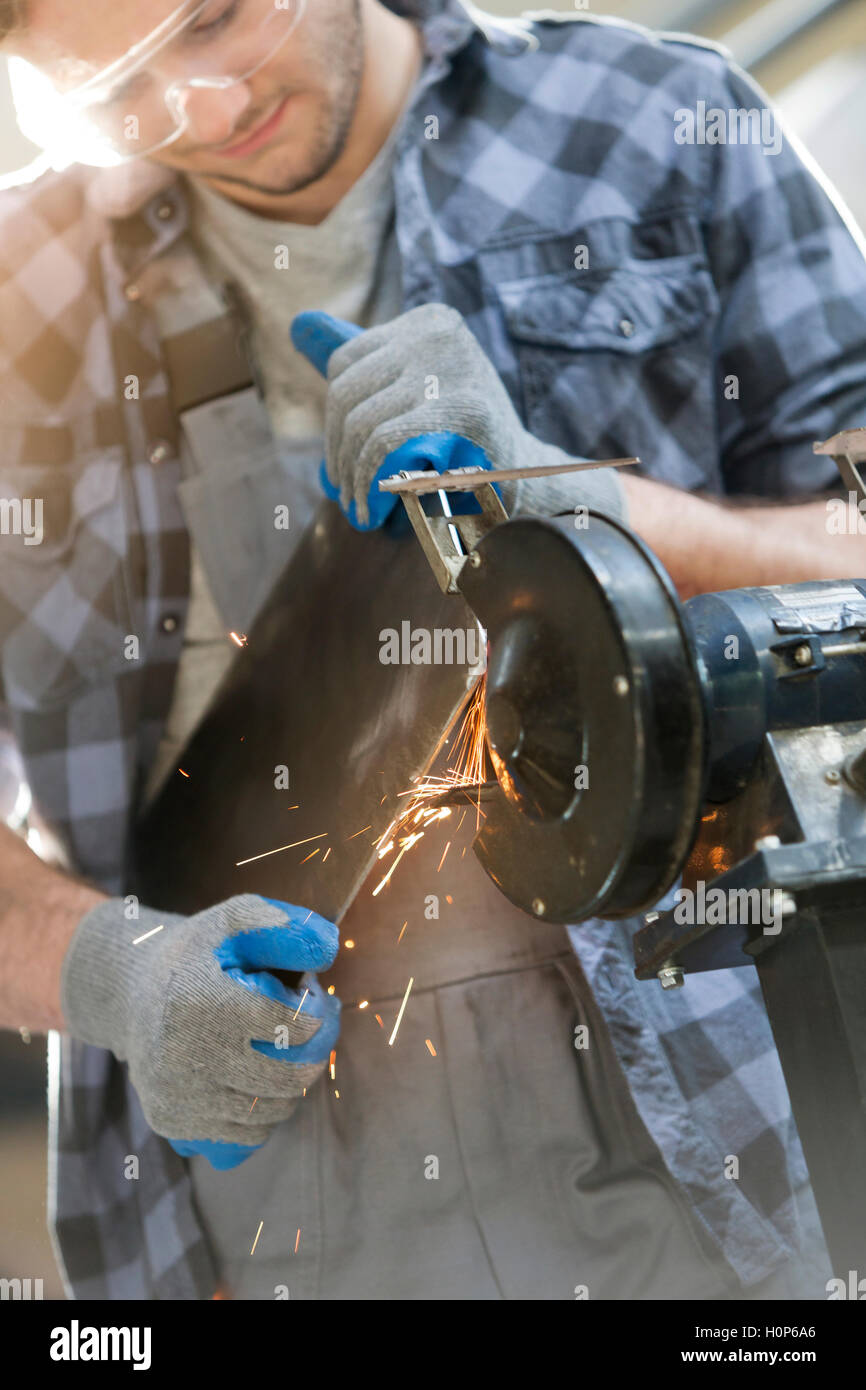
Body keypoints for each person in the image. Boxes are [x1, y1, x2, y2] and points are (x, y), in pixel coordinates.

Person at [0, 0, 864, 1300]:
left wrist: (587, 501)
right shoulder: (21, 309)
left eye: (221, 17)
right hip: (265, 1218)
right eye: (123, 88)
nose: (213, 109)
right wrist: (106, 973)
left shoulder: (656, 131)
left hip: (726, 1149)